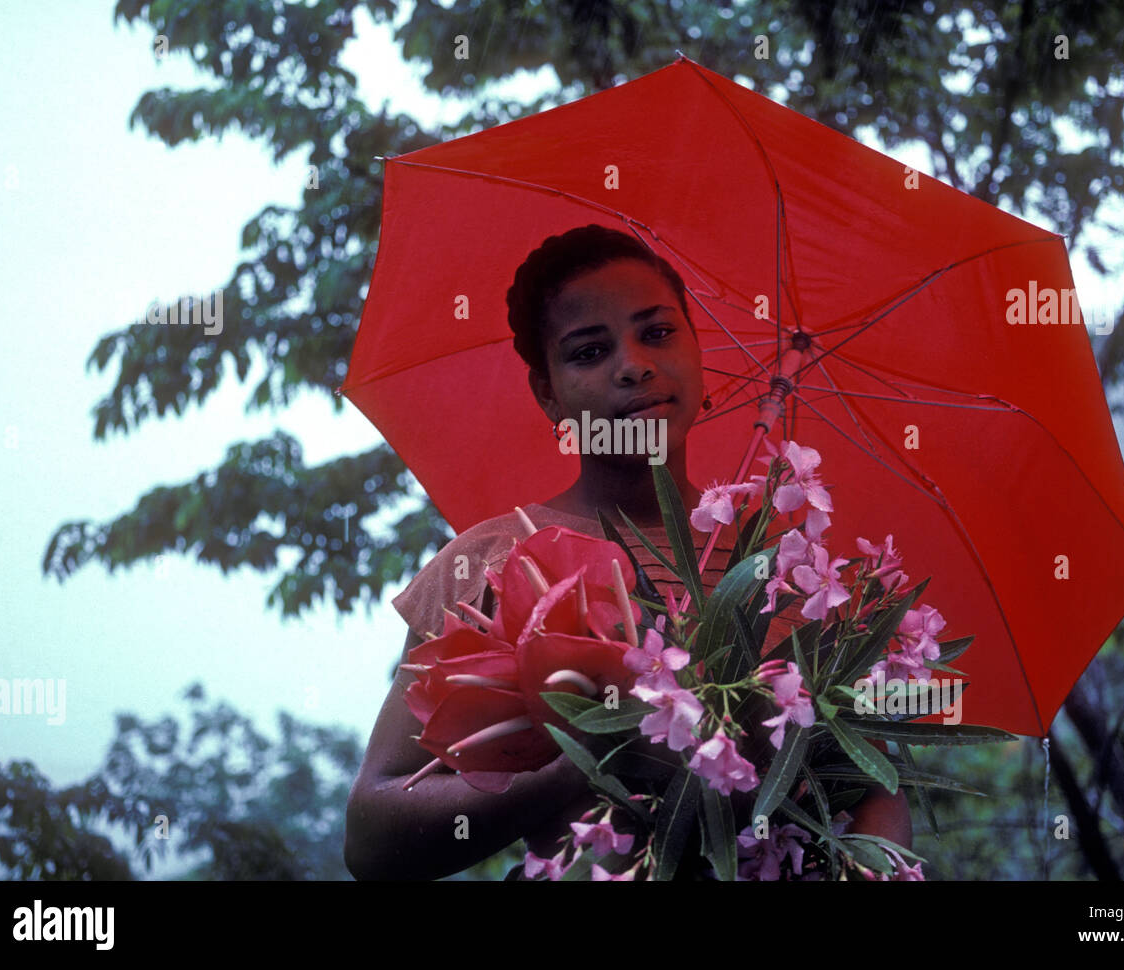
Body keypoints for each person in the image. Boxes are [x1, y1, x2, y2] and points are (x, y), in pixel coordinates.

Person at [344, 225, 910, 881]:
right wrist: (581, 762)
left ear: (699, 352)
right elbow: (373, 836)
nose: (633, 364)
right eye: (589, 352)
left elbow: (874, 783)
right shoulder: (498, 557)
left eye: (659, 333)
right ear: (547, 393)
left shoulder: (786, 564)